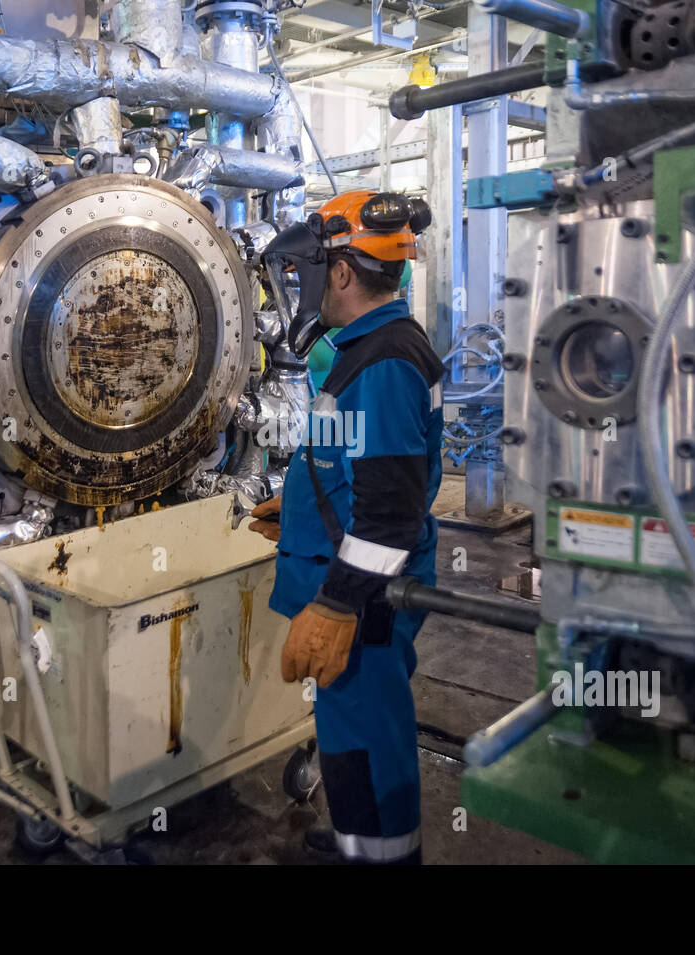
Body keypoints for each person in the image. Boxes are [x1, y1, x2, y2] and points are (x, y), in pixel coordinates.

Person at [251, 191, 444, 865]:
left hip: (365, 599)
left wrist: (336, 605)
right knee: (346, 732)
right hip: (351, 579)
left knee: (368, 737)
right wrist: (301, 511)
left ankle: (383, 856)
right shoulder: (368, 347)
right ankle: (358, 842)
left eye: (306, 272)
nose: (301, 288)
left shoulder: (385, 361)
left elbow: (391, 513)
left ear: (340, 272)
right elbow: (359, 467)